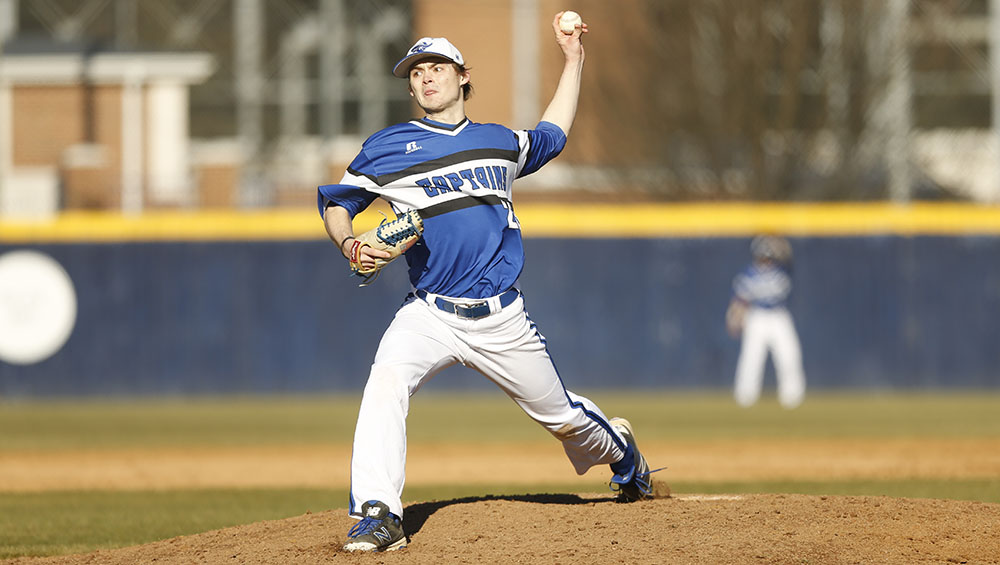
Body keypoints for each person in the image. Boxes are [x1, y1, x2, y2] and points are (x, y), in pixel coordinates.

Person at [317, 13, 657, 554]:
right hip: (429, 312)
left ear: (462, 76)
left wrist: (573, 60)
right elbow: (339, 203)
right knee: (385, 385)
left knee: (564, 419)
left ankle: (623, 454)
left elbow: (554, 134)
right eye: (416, 71)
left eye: (437, 67)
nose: (426, 78)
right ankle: (378, 513)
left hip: (500, 316)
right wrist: (350, 242)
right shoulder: (387, 147)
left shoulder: (498, 143)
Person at [726, 235, 806, 409]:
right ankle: (745, 396)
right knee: (751, 357)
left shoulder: (781, 270)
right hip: (757, 315)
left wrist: (781, 247)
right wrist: (735, 318)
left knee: (789, 354)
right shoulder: (748, 274)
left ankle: (792, 396)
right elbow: (739, 299)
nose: (766, 260)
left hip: (778, 314)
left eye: (768, 256)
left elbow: (790, 260)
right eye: (763, 256)